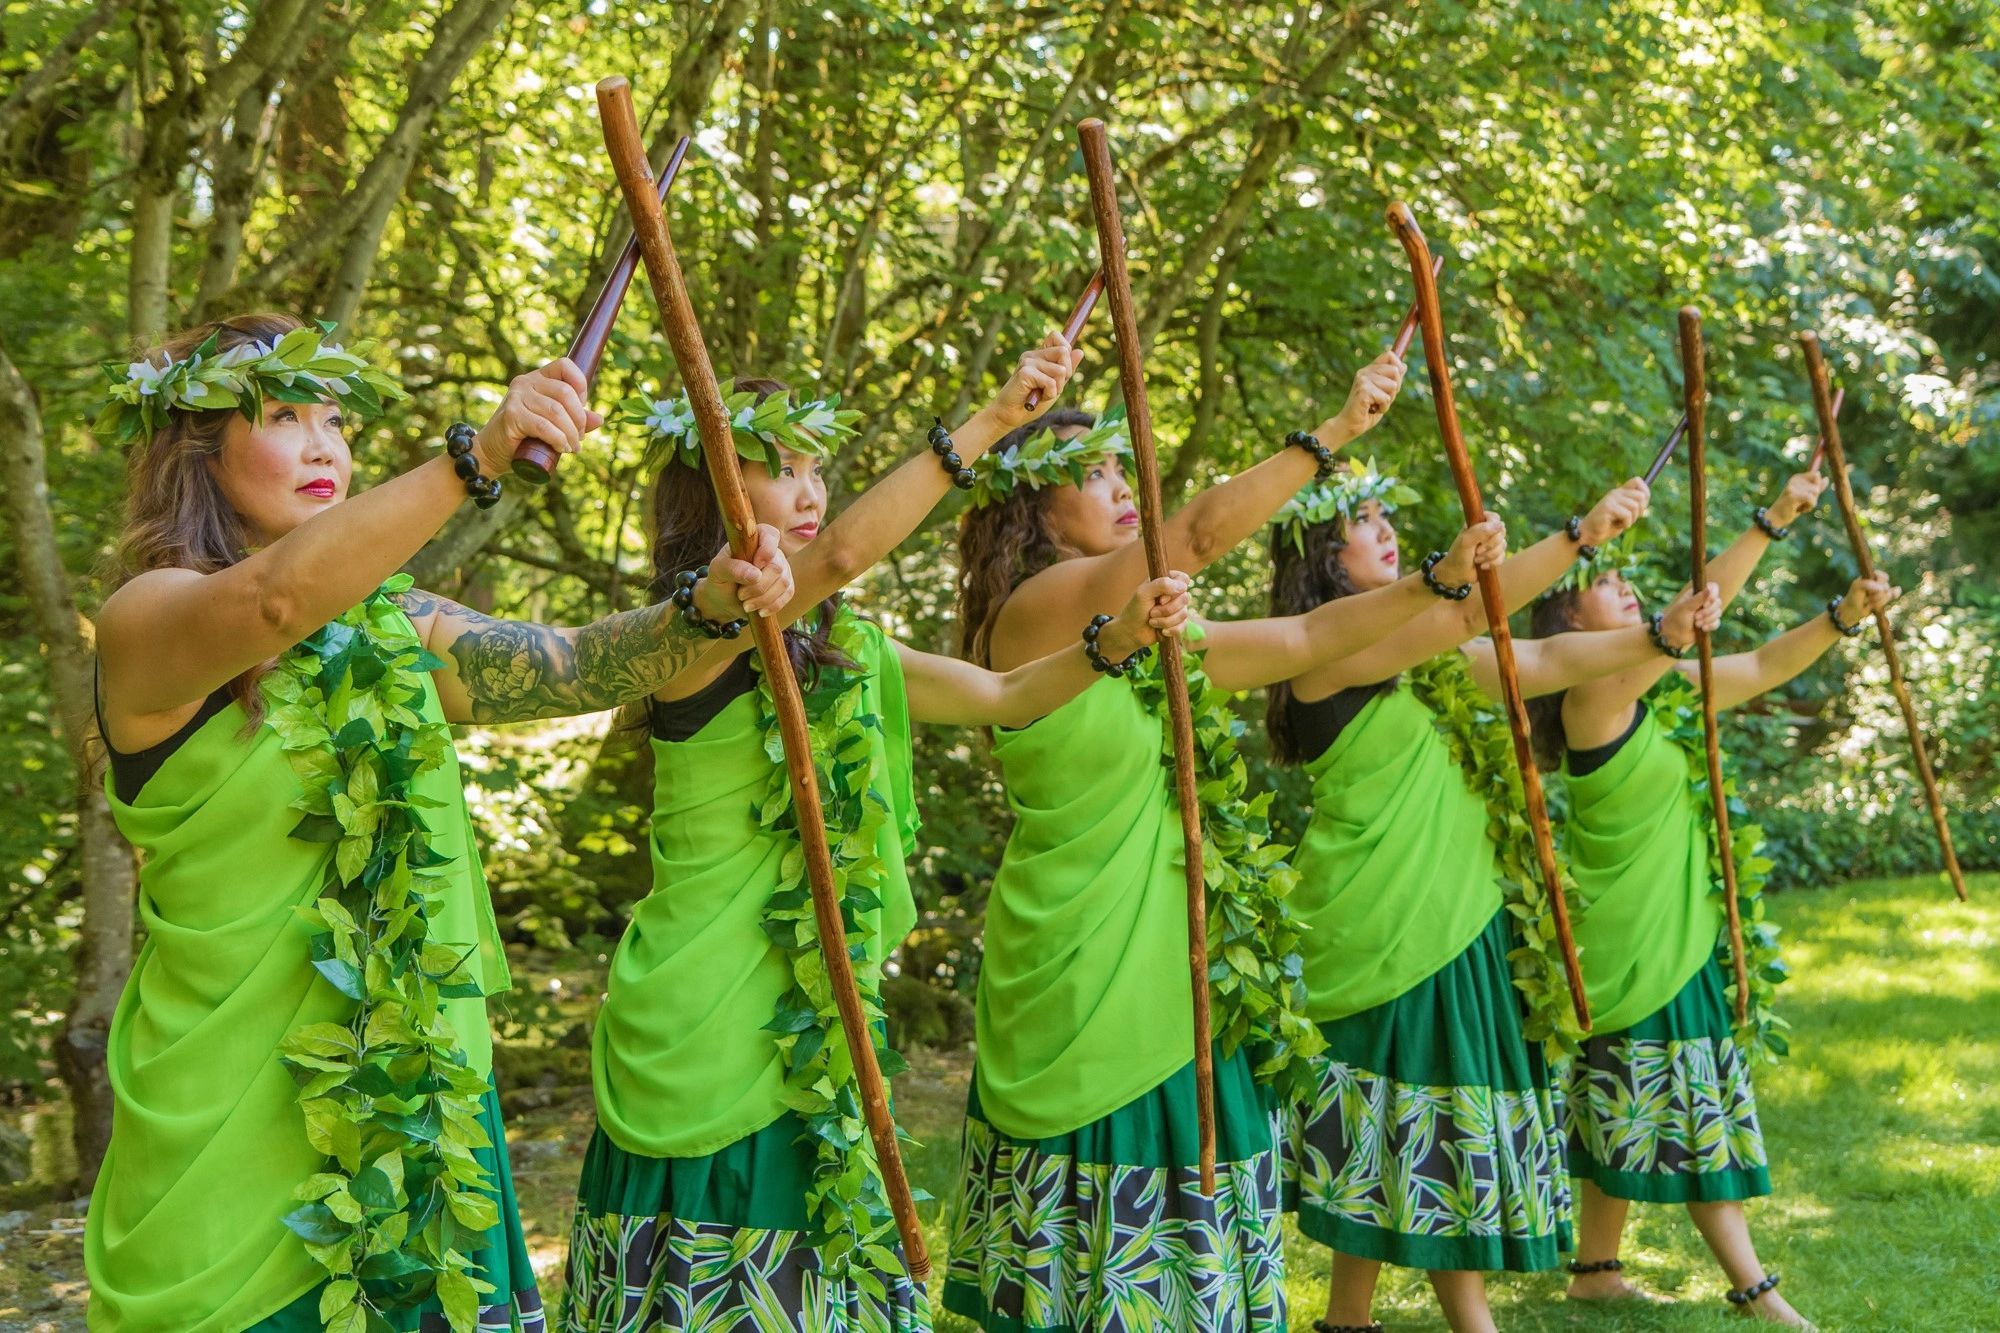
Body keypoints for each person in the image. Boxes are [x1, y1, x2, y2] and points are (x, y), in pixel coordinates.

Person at [89, 312, 787, 1333]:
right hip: (233, 1125)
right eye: (287, 414)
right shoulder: (146, 618)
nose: (326, 442)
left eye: (336, 418)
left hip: (412, 1116)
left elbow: (577, 666)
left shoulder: (394, 628)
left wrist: (709, 610)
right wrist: (477, 454)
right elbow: (275, 603)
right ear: (197, 442)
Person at [1262, 460, 1719, 1333]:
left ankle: (1347, 1321)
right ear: (1324, 553)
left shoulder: (1429, 665)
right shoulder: (1333, 650)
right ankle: (1444, 1322)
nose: (1386, 527)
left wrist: (1659, 637)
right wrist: (1581, 537)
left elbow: (1541, 656)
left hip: (1458, 917)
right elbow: (1476, 609)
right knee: (1395, 1115)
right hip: (1379, 920)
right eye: (1363, 520)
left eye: (1384, 512)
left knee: (1414, 1120)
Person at [1527, 471, 1884, 1332]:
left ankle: (1595, 1268)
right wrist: (1771, 519)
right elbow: (1693, 611)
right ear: (1571, 629)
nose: (1627, 585)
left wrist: (1840, 617)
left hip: (1658, 933)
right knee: (1692, 1109)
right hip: (1637, 942)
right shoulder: (1595, 691)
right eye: (1604, 586)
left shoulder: (1653, 692)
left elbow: (1759, 662)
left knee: (1619, 1095)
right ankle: (1758, 1291)